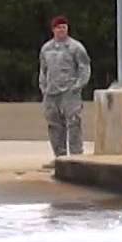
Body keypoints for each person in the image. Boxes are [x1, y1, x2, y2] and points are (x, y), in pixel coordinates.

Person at [38, 15, 91, 158]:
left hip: (70, 92)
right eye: (58, 27)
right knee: (54, 125)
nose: (61, 30)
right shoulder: (46, 49)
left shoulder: (76, 47)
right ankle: (59, 156)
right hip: (51, 92)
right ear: (53, 30)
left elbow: (84, 67)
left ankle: (76, 155)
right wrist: (43, 87)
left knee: (73, 123)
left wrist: (78, 85)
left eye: (64, 27)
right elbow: (43, 70)